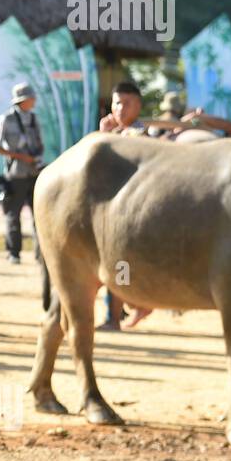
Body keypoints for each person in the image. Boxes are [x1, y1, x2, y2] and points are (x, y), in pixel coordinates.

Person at [97, 81, 148, 329]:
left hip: (133, 211)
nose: (121, 108)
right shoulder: (111, 131)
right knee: (116, 265)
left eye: (127, 103)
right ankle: (118, 313)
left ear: (139, 106)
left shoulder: (140, 134)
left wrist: (106, 136)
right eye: (117, 102)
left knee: (122, 265)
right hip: (111, 209)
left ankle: (127, 311)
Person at [0, 82, 43, 265]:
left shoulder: (35, 119)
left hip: (35, 173)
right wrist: (19, 156)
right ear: (23, 100)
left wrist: (35, 157)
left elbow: (40, 144)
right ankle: (14, 253)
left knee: (40, 216)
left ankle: (40, 255)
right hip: (15, 174)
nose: (34, 100)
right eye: (31, 98)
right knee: (13, 215)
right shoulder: (6, 119)